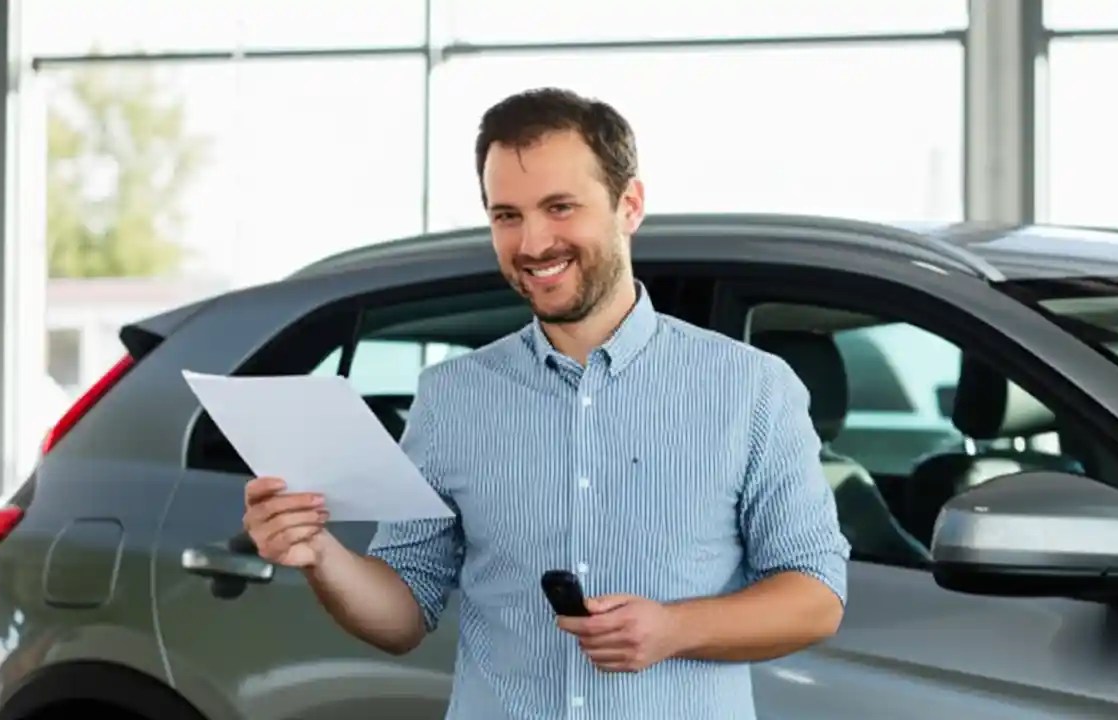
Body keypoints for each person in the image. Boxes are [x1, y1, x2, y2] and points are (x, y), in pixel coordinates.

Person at [243, 87, 851, 719]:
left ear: (629, 205)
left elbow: (815, 597)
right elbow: (402, 615)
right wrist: (319, 554)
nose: (532, 243)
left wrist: (676, 627)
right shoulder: (453, 398)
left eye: (560, 207)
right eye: (507, 215)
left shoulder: (751, 388)